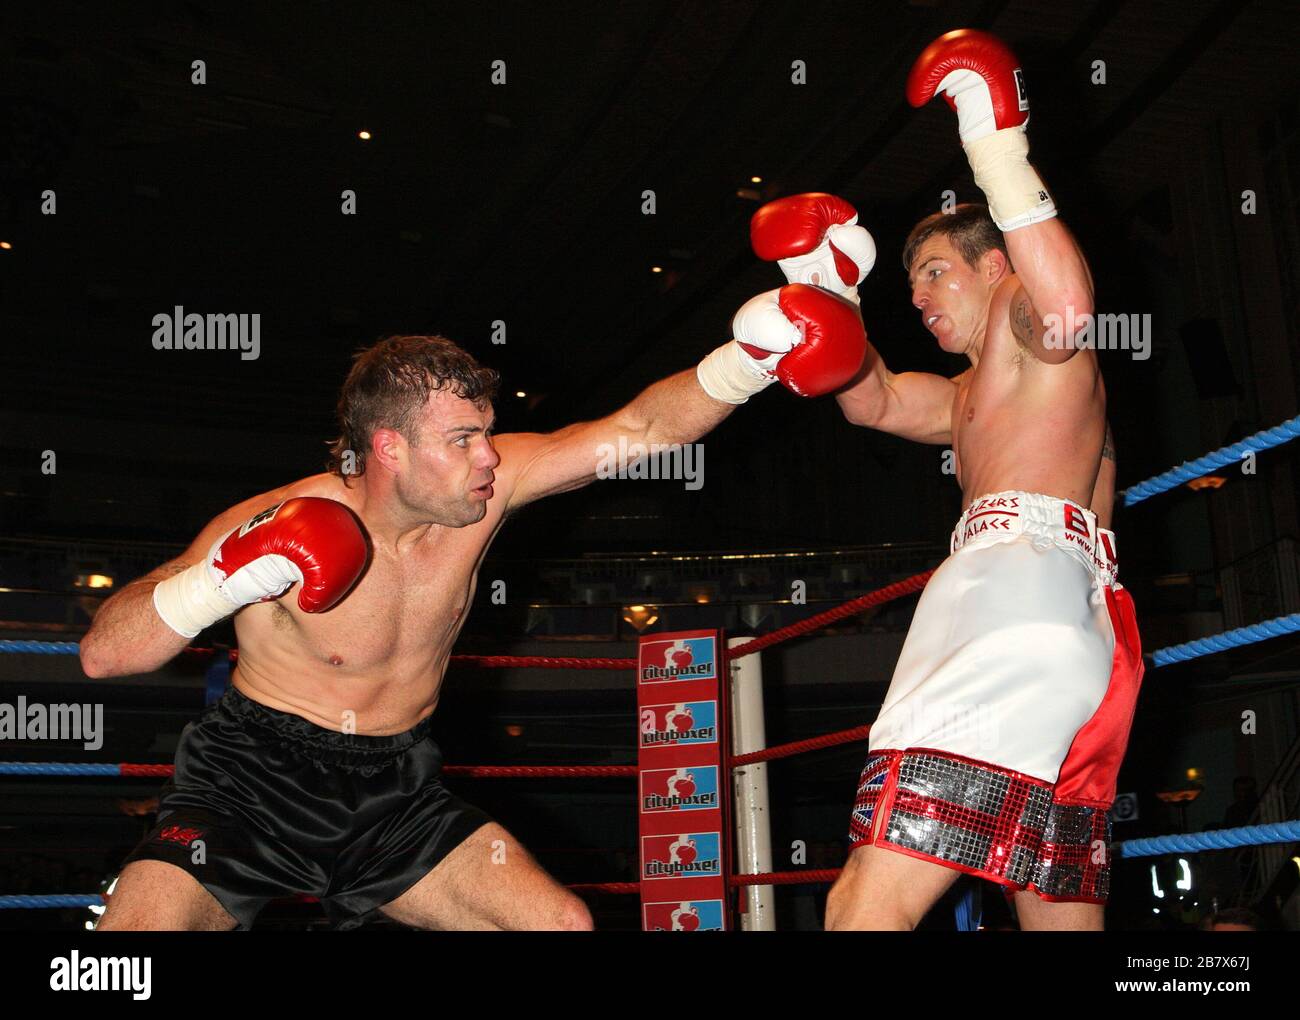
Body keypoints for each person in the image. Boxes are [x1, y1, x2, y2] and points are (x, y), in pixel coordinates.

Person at [80, 290, 866, 930]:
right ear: (388, 448)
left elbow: (638, 429)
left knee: (559, 924)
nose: (490, 456)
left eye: (487, 434)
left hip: (394, 788)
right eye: (462, 439)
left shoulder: (491, 487)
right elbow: (104, 654)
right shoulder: (276, 522)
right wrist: (221, 581)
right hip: (247, 785)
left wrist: (747, 363)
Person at [823, 29, 1144, 931]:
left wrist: (995, 144)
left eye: (932, 273)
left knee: (864, 905)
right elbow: (871, 401)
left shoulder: (1024, 316)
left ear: (994, 263)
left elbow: (1069, 308)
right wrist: (828, 291)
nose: (919, 297)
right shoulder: (970, 391)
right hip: (1078, 626)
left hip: (1013, 589)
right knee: (1051, 904)